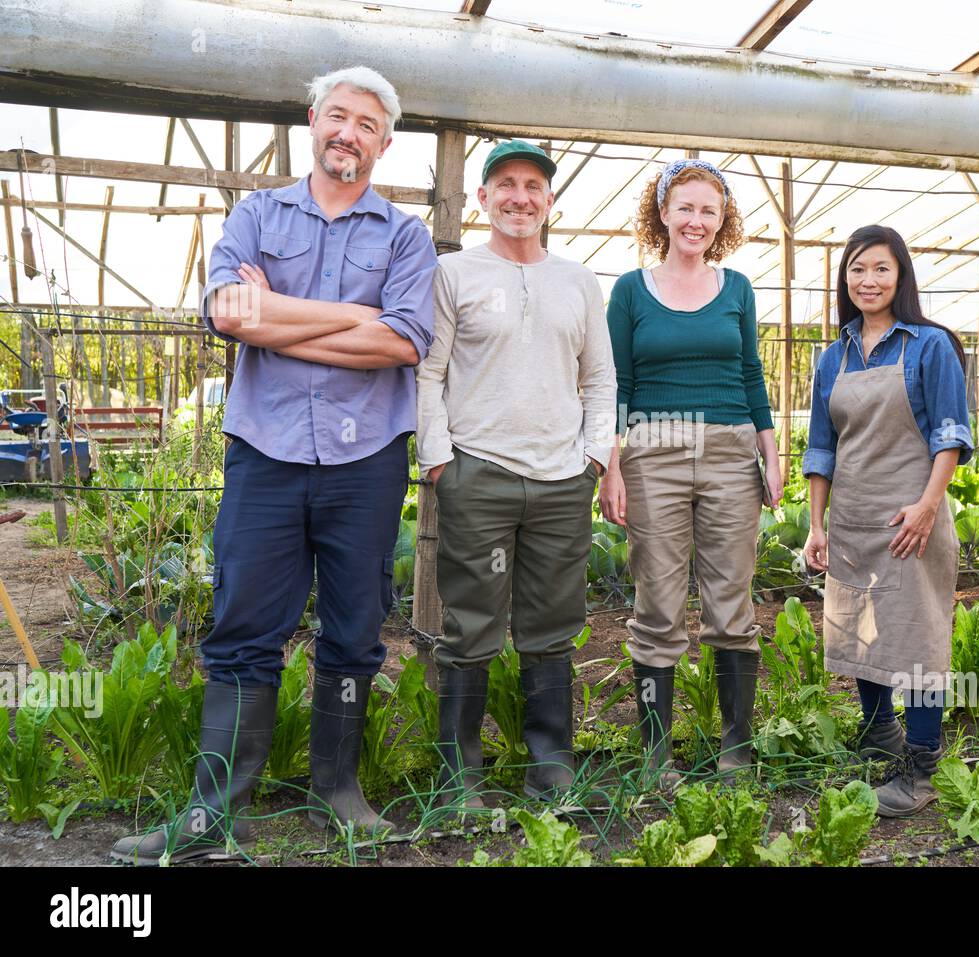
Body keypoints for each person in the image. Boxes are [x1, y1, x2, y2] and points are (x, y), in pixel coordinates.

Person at [111, 66, 437, 864]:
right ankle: (213, 811)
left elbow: (401, 341)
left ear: (384, 142)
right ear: (311, 120)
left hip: (366, 459)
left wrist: (276, 317)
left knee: (356, 630)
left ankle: (339, 790)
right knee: (242, 629)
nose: (348, 133)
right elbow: (229, 310)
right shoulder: (256, 213)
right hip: (266, 451)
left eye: (366, 124)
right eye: (338, 116)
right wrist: (347, 316)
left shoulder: (404, 235)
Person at [416, 140, 616, 805]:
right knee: (470, 623)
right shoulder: (455, 275)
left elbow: (600, 379)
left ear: (549, 201)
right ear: (482, 198)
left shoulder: (578, 280)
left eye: (533, 186)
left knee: (552, 623)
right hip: (480, 473)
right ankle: (460, 776)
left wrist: (592, 457)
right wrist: (441, 462)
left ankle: (550, 767)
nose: (519, 197)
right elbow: (430, 371)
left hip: (563, 481)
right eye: (505, 184)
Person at [601, 159, 782, 785]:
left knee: (732, 601)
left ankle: (735, 749)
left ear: (722, 219)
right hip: (653, 451)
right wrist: (612, 465)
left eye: (709, 210)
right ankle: (655, 754)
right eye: (685, 207)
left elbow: (752, 375)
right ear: (662, 213)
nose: (696, 220)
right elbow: (617, 384)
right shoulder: (629, 289)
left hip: (732, 450)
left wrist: (771, 451)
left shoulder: (736, 288)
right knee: (658, 603)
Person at [801, 225, 973, 816]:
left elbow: (951, 434)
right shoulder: (835, 355)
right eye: (856, 270)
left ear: (900, 276)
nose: (867, 281)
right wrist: (816, 524)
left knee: (918, 635)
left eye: (880, 269)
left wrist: (928, 506)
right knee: (858, 627)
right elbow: (821, 447)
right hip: (851, 516)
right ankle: (880, 733)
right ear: (844, 280)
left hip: (909, 515)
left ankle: (921, 768)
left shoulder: (928, 345)